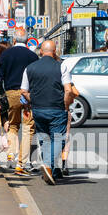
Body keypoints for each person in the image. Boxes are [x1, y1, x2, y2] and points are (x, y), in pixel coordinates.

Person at [20, 40, 73, 185]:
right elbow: (68, 90)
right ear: (54, 51)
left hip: (38, 109)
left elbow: (23, 90)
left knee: (44, 139)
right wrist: (66, 105)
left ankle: (53, 171)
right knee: (58, 139)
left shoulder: (29, 68)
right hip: (56, 108)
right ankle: (49, 166)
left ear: (41, 52)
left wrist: (34, 99)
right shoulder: (61, 66)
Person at [0, 29, 39, 174]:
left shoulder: (5, 54)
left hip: (11, 93)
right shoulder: (33, 56)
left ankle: (11, 154)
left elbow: (0, 76)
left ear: (14, 40)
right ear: (27, 41)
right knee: (28, 128)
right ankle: (23, 161)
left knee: (13, 125)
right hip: (28, 95)